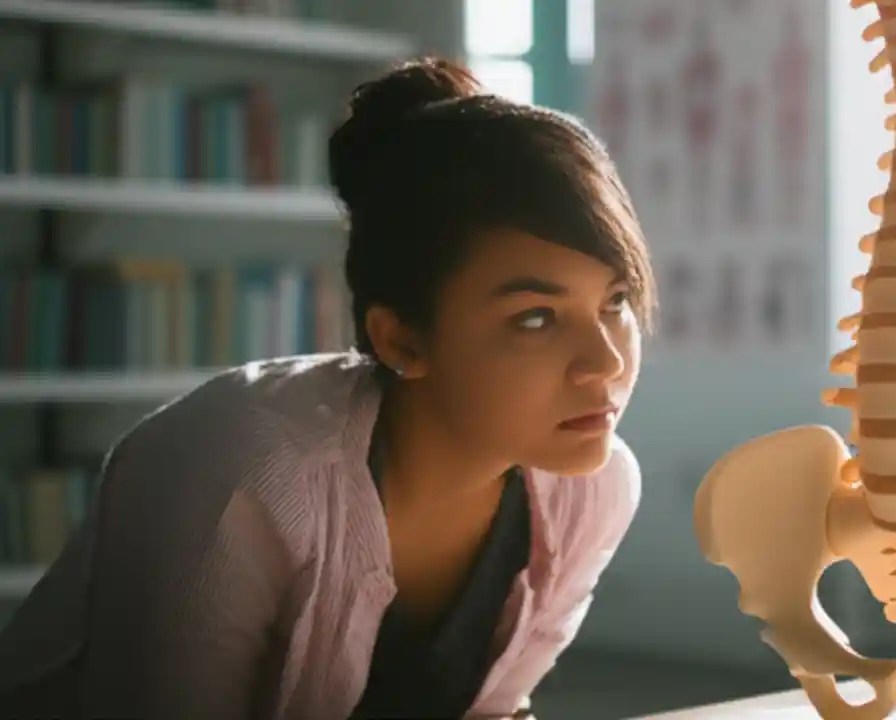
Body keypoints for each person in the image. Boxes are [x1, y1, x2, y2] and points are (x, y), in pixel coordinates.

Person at [0, 56, 656, 719]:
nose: (603, 363)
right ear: (401, 338)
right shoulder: (248, 473)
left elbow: (496, 709)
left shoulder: (591, 487)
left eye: (616, 300)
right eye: (535, 318)